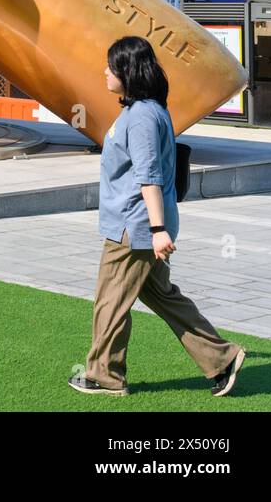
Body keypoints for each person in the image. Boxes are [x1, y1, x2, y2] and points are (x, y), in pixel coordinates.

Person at [69, 35, 245, 397]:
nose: (105, 71)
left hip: (135, 227)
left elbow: (149, 175)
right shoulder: (139, 111)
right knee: (163, 296)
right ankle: (222, 359)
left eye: (111, 66)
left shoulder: (143, 116)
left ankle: (105, 375)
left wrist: (157, 230)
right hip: (138, 224)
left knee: (110, 301)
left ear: (127, 71)